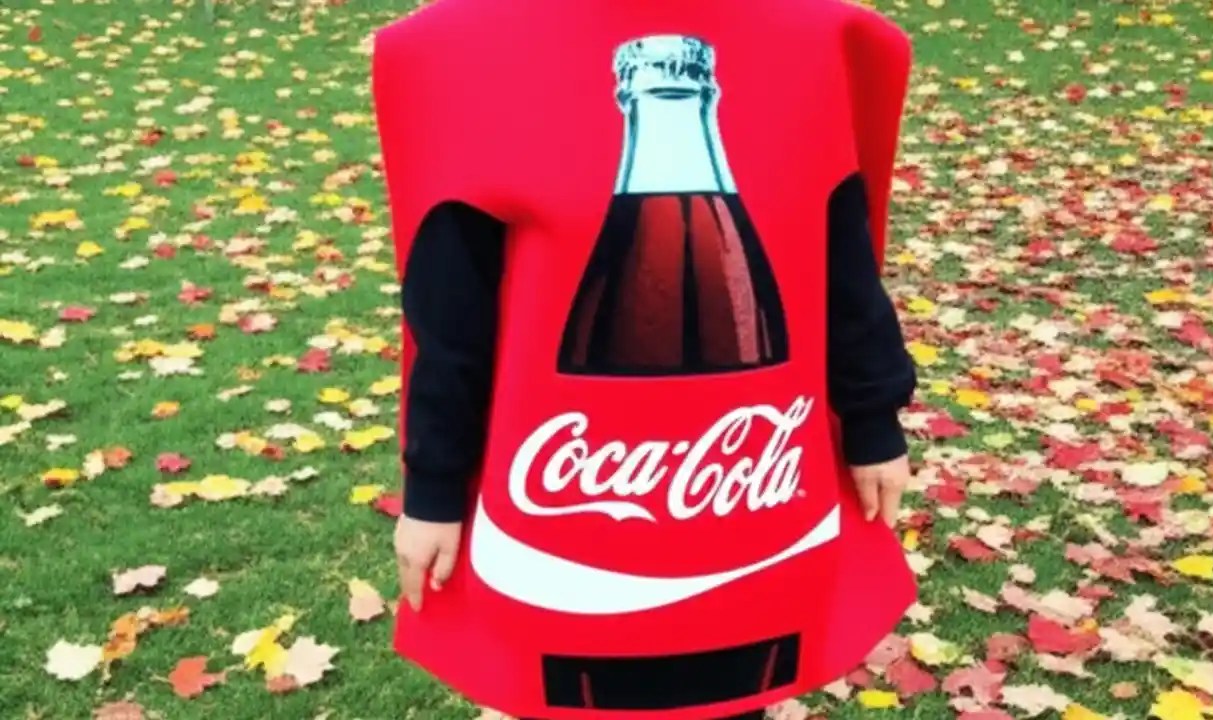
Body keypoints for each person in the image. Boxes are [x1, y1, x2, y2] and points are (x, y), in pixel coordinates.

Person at [375, 3, 917, 717]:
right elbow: (449, 309)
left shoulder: (809, 40)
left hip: (744, 522)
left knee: (734, 691)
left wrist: (874, 416)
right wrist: (435, 490)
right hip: (573, 543)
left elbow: (840, 252)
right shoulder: (468, 48)